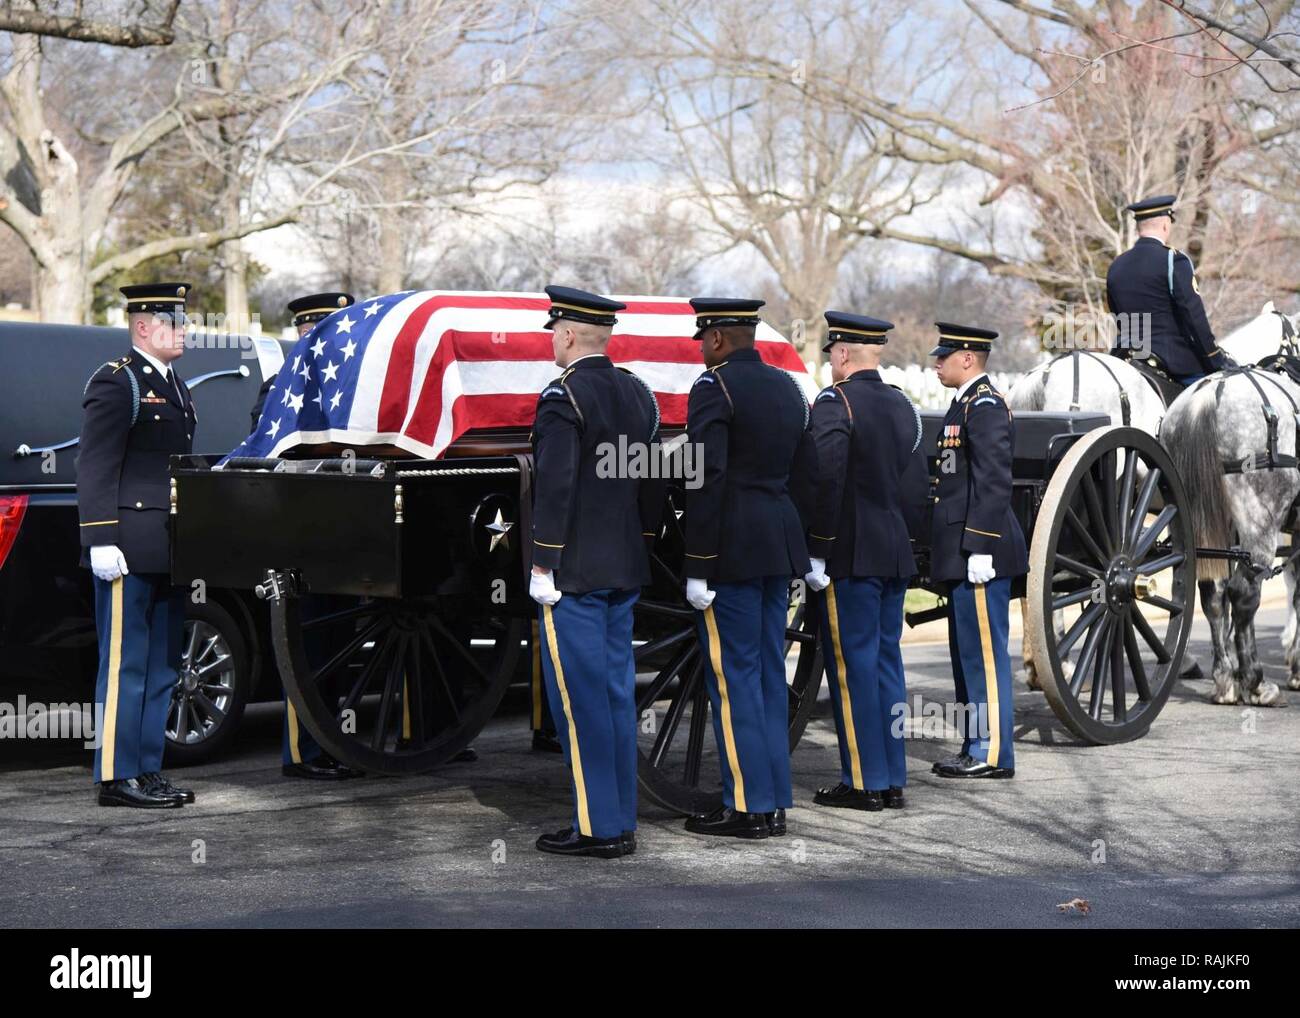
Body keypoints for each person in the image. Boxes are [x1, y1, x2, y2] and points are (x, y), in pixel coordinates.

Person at [530, 285, 662, 858]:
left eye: (553, 336)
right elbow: (652, 476)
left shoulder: (564, 396)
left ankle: (598, 828)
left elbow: (556, 486)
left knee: (579, 703)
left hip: (575, 573)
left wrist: (543, 561)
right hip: (623, 566)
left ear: (565, 335)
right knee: (612, 698)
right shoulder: (635, 393)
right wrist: (646, 540)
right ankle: (620, 818)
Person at [682, 297, 815, 839]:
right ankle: (772, 799)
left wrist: (697, 565)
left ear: (715, 339)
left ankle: (745, 806)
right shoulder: (787, 387)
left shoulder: (714, 388)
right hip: (776, 544)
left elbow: (705, 478)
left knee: (733, 677)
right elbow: (805, 473)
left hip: (731, 549)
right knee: (764, 674)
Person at [78, 283, 198, 808]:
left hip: (166, 546)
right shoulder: (119, 382)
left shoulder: (176, 386)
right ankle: (115, 773)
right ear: (144, 327)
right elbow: (96, 463)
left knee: (164, 665)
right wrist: (101, 539)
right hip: (127, 545)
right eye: (174, 321)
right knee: (125, 662)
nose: (185, 330)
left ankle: (148, 769)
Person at [804, 312, 926, 811]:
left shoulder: (836, 402)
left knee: (853, 668)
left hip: (849, 553)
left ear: (840, 354)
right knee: (885, 664)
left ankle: (863, 781)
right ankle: (892, 777)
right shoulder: (902, 404)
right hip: (892, 549)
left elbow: (825, 480)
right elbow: (915, 486)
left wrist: (817, 546)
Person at [928, 322, 1028, 779]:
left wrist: (981, 547)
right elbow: (950, 478)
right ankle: (975, 745)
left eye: (943, 356)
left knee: (984, 656)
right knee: (967, 656)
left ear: (967, 358)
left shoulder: (984, 405)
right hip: (961, 550)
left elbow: (993, 481)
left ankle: (993, 754)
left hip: (980, 552)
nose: (935, 363)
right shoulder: (962, 404)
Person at [1106, 194, 1236, 386]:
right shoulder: (1173, 260)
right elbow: (1193, 316)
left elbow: (1117, 313)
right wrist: (1214, 357)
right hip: (1173, 361)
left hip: (1124, 355)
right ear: (1166, 225)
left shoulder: (1116, 265)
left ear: (1138, 226)